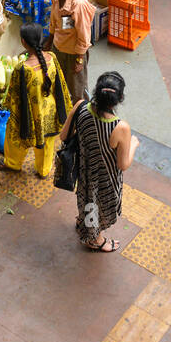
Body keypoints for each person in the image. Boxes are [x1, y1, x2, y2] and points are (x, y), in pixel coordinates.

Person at [57, 71, 136, 252]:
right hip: (105, 179)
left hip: (83, 169)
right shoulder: (120, 127)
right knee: (98, 207)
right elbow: (123, 164)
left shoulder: (80, 107)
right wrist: (133, 145)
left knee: (86, 199)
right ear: (120, 98)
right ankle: (95, 239)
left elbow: (63, 135)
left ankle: (82, 222)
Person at [0, 22, 70, 178]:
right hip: (50, 111)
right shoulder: (52, 57)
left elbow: (14, 96)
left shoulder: (22, 68)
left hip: (31, 114)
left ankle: (13, 163)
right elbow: (61, 84)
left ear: (23, 42)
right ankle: (44, 170)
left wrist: (5, 106)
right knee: (47, 142)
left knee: (14, 137)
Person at [42, 0, 94, 105]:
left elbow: (84, 34)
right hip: (59, 47)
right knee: (59, 80)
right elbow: (54, 22)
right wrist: (49, 41)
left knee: (78, 88)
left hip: (74, 53)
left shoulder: (79, 4)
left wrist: (79, 59)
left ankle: (81, 113)